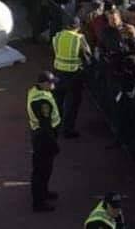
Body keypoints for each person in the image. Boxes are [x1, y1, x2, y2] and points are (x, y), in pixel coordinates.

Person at [28, 70, 61, 212]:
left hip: (41, 135)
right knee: (41, 170)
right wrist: (54, 144)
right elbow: (45, 125)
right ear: (43, 84)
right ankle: (38, 202)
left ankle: (44, 192)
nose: (53, 85)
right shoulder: (42, 101)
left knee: (45, 169)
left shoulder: (35, 91)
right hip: (44, 137)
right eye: (51, 83)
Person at [51, 21, 90, 138]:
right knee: (72, 104)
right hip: (74, 75)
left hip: (58, 73)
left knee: (58, 101)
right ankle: (67, 130)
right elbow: (87, 57)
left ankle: (55, 125)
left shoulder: (57, 36)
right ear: (78, 27)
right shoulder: (79, 39)